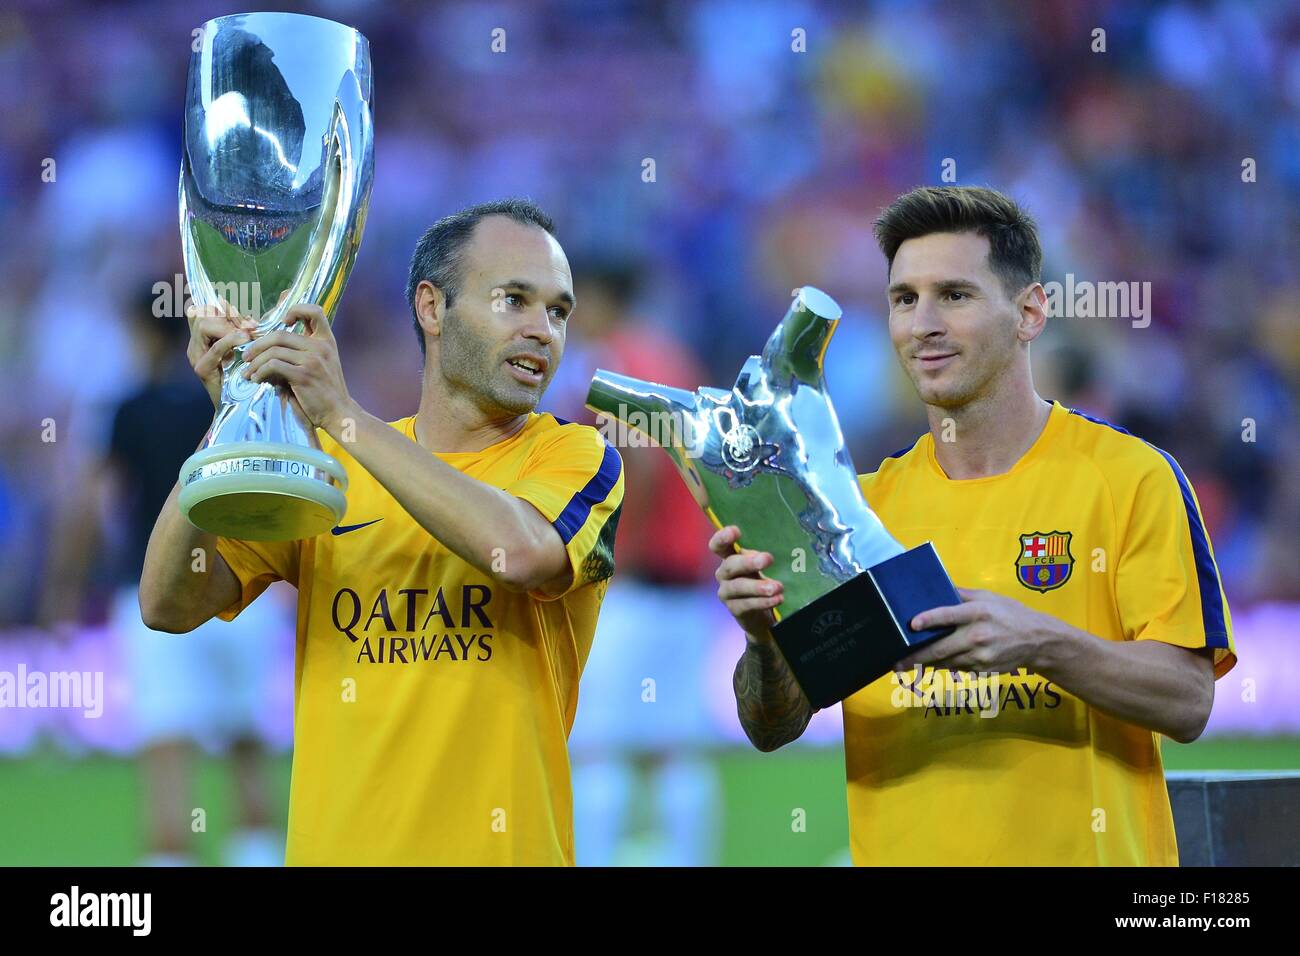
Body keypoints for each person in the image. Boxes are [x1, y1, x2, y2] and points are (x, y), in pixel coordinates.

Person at [710, 185, 1236, 866]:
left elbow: (1189, 700)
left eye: (954, 295)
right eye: (905, 299)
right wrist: (762, 641)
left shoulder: (1129, 477)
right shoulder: (854, 513)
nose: (922, 323)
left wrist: (1042, 643)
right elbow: (771, 724)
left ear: (1030, 312)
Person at [139, 199, 624, 866]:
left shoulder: (574, 457)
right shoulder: (331, 472)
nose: (543, 329)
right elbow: (168, 603)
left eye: (558, 311)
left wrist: (341, 416)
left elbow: (520, 553)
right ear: (432, 307)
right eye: (514, 300)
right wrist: (233, 414)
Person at [39, 287, 283, 866]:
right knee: (248, 753)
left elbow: (91, 508)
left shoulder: (126, 409)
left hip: (161, 597)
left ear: (139, 335)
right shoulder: (230, 403)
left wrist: (64, 585)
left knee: (169, 758)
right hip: (241, 589)